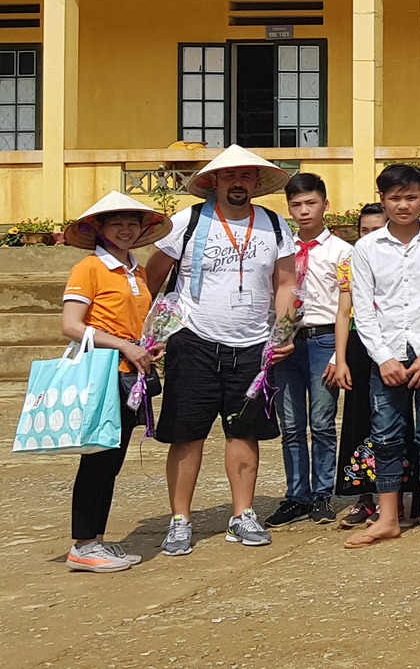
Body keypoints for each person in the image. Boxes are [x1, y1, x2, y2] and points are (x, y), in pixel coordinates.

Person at [143, 145, 295, 556]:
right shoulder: (187, 222)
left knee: (244, 432)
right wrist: (148, 336)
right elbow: (151, 279)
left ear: (256, 184)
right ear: (213, 182)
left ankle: (241, 515)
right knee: (186, 434)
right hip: (193, 341)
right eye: (230, 177)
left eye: (246, 177)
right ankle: (180, 520)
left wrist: (281, 333)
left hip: (251, 346)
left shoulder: (275, 226)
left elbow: (285, 283)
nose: (239, 183)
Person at [342, 163, 420, 550]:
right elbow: (364, 306)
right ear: (382, 199)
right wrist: (382, 358)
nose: (403, 205)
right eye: (395, 198)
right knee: (387, 436)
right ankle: (388, 517)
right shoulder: (366, 248)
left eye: (411, 197)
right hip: (387, 356)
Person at [59, 193, 168, 572]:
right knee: (98, 461)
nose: (125, 229)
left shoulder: (135, 270)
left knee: (111, 460)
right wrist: (124, 344)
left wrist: (148, 347)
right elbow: (71, 325)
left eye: (132, 222)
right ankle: (85, 544)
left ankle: (95, 540)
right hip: (104, 376)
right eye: (116, 222)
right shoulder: (89, 268)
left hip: (128, 375)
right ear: (99, 229)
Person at [268, 172, 351, 528]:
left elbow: (350, 306)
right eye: (296, 205)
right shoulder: (280, 249)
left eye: (310, 203)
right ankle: (296, 495)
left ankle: (321, 494)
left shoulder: (342, 252)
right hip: (287, 341)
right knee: (290, 424)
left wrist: (339, 356)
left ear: (325, 205)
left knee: (321, 422)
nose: (303, 211)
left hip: (324, 341)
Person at [332, 204, 385, 529]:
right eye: (365, 230)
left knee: (392, 419)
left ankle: (391, 497)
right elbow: (342, 313)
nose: (371, 236)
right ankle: (363, 497)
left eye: (378, 229)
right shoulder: (348, 264)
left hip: (394, 345)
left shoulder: (402, 260)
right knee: (357, 416)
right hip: (357, 346)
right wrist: (340, 359)